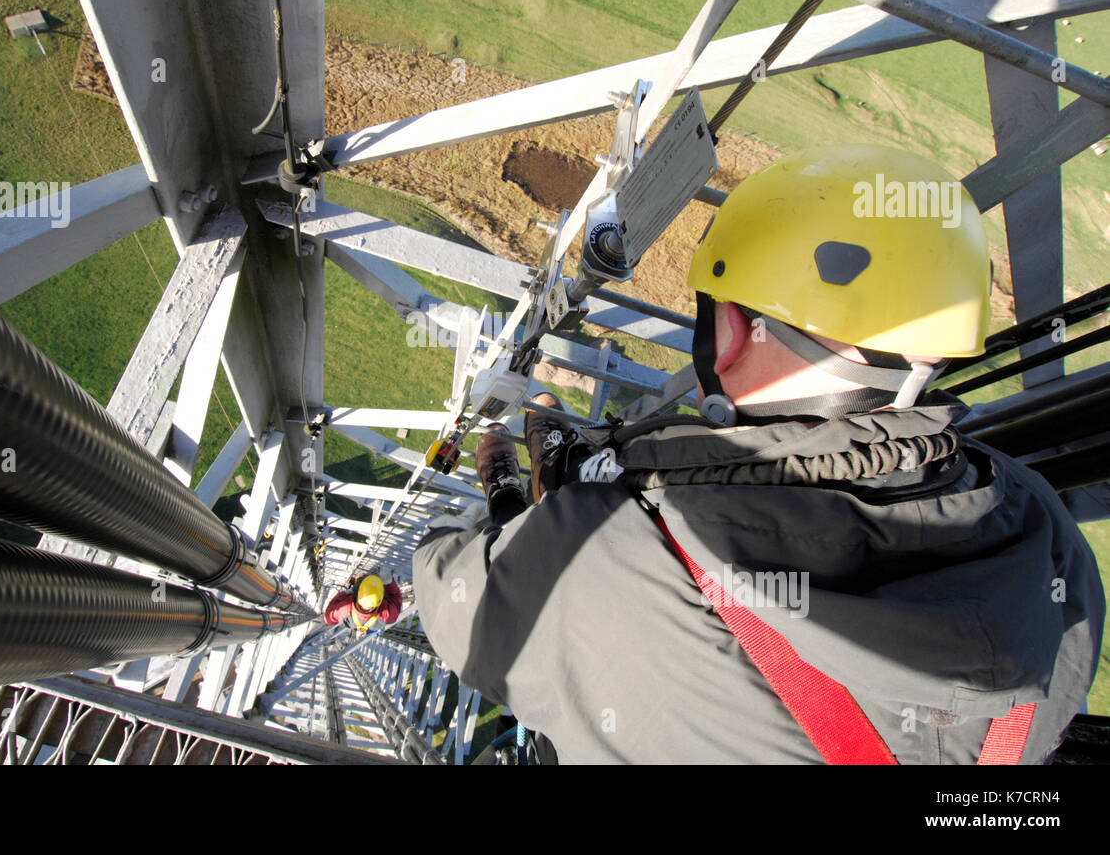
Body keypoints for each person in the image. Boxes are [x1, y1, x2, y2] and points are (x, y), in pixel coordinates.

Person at [412, 145, 1105, 764]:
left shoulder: (611, 554)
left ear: (735, 334)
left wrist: (524, 506)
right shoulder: (1051, 546)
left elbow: (446, 590)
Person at [323, 572, 402, 636]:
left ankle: (362, 579)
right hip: (371, 625)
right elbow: (396, 598)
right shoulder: (386, 612)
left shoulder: (345, 609)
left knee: (360, 580)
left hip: (366, 625)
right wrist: (389, 583)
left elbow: (327, 619)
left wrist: (346, 593)